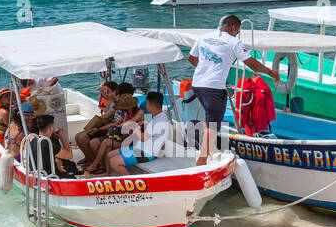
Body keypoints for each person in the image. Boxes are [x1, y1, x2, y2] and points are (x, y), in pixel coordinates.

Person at [187, 14, 279, 164]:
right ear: (234, 28)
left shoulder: (203, 37)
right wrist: (271, 72)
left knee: (209, 115)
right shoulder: (234, 42)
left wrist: (206, 70)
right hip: (213, 86)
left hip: (198, 84)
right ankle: (202, 159)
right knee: (214, 122)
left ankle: (210, 149)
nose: (236, 34)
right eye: (237, 31)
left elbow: (191, 58)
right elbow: (252, 64)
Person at [106, 91, 169, 174]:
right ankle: (108, 176)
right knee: (109, 155)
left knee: (114, 162)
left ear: (150, 105)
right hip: (142, 147)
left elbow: (143, 138)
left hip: (147, 153)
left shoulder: (158, 121)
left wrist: (136, 129)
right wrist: (144, 123)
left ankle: (131, 184)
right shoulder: (160, 116)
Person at [84, 93, 140, 173]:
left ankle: (95, 164)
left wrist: (121, 124)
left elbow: (131, 122)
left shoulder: (139, 112)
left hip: (133, 142)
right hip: (124, 139)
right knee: (108, 148)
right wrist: (119, 124)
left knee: (106, 142)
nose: (124, 110)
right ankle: (107, 174)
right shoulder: (127, 113)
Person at [75, 80, 120, 157]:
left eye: (108, 92)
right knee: (78, 136)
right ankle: (89, 158)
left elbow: (106, 117)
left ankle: (92, 161)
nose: (106, 94)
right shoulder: (110, 102)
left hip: (108, 129)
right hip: (104, 127)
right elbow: (101, 89)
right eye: (105, 92)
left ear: (115, 92)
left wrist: (97, 127)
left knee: (82, 137)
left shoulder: (116, 105)